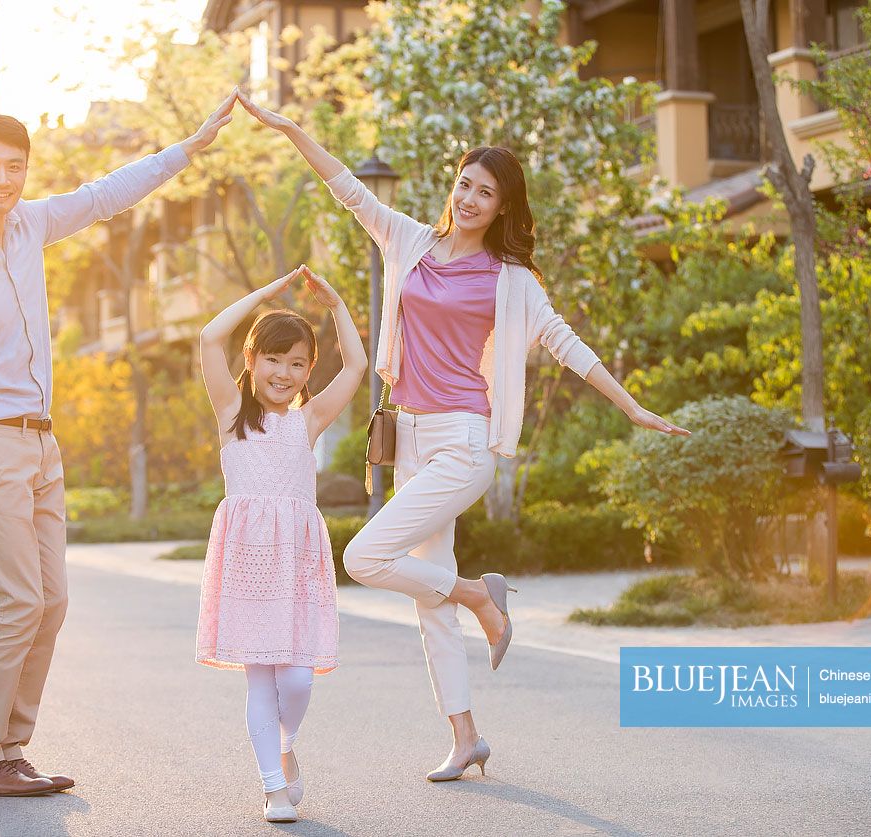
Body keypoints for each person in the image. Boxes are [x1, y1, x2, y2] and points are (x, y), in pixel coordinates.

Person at [236, 90, 690, 782]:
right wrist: (291, 125)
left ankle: (480, 592)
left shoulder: (511, 280)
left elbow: (566, 343)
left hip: (463, 442)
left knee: (363, 555)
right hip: (408, 437)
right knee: (427, 598)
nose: (470, 198)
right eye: (464, 184)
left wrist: (631, 407)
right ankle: (465, 734)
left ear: (503, 205)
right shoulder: (410, 240)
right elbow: (347, 190)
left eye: (485, 192)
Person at [0, 91, 238, 797]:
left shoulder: (28, 226)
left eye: (15, 167)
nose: (4, 180)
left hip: (42, 446)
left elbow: (105, 196)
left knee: (52, 601)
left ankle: (9, 747)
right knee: (17, 599)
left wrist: (186, 150)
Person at [196, 264, 366, 823]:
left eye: (297, 363)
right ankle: (272, 787)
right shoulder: (229, 414)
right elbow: (208, 336)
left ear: (309, 369)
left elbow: (359, 366)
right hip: (246, 563)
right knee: (260, 678)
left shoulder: (309, 419)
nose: (284, 372)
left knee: (295, 678)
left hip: (295, 563)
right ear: (252, 361)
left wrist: (338, 305)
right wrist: (265, 296)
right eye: (273, 359)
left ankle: (286, 745)